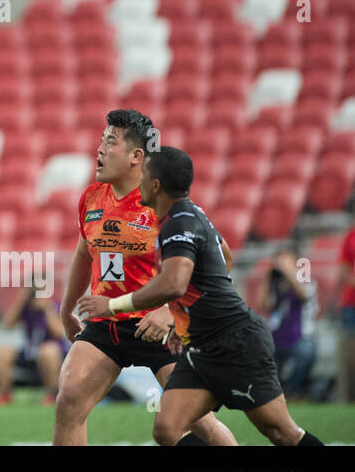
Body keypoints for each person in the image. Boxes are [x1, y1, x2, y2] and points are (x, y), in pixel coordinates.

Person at [78, 147, 324, 446]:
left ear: (155, 184)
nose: (138, 180)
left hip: (235, 343)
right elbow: (213, 270)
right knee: (167, 429)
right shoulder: (180, 217)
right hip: (202, 347)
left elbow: (174, 284)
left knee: (281, 432)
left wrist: (113, 304)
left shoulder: (180, 222)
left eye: (144, 175)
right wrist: (182, 325)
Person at [53, 109, 235, 446]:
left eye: (110, 142)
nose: (100, 150)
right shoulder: (92, 198)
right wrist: (67, 310)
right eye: (101, 141)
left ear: (137, 156)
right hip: (107, 321)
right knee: (69, 402)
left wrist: (171, 312)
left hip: (162, 328)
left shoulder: (165, 201)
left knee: (197, 422)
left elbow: (222, 258)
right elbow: (83, 253)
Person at [257, 244, 318, 399]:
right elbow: (263, 305)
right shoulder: (275, 283)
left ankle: (291, 391)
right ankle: (274, 393)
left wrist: (289, 275)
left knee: (306, 352)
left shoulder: (305, 279)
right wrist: (267, 279)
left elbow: (304, 296)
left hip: (299, 336)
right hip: (277, 336)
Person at [0, 287, 67, 405]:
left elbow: (59, 332)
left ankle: (52, 394)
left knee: (48, 350)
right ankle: (4, 394)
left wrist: (47, 309)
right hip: (30, 352)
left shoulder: (55, 306)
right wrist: (21, 301)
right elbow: (7, 325)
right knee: (1, 351)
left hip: (53, 354)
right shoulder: (25, 308)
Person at [339, 220, 355, 403]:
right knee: (351, 355)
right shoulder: (350, 236)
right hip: (351, 304)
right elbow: (343, 267)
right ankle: (350, 397)